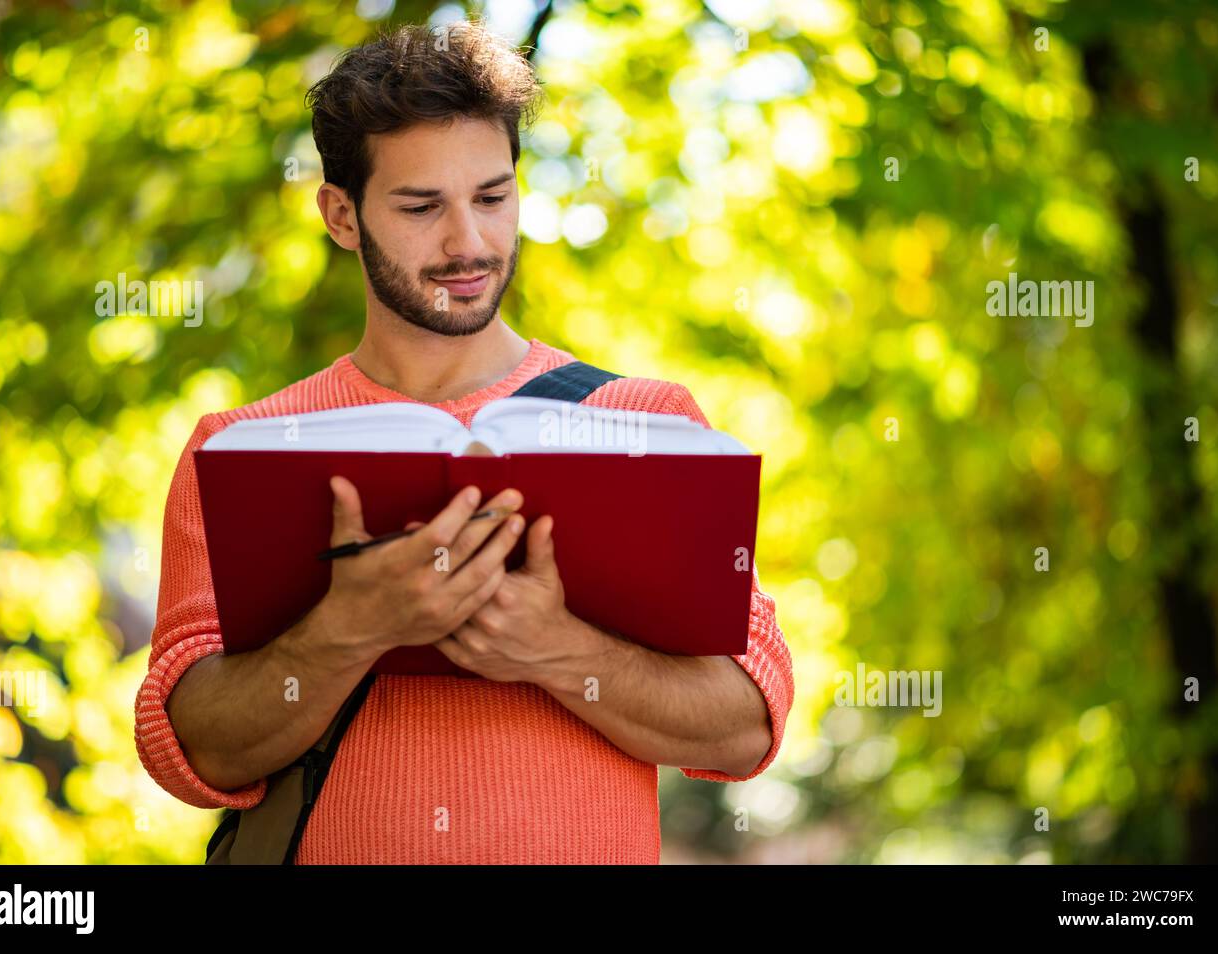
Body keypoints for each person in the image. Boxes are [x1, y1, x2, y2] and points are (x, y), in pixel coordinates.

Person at [134, 18, 794, 864]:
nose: (470, 244)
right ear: (341, 215)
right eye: (420, 207)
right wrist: (351, 628)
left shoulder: (650, 424)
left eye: (492, 197)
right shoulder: (239, 446)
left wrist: (558, 650)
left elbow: (748, 723)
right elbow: (194, 750)